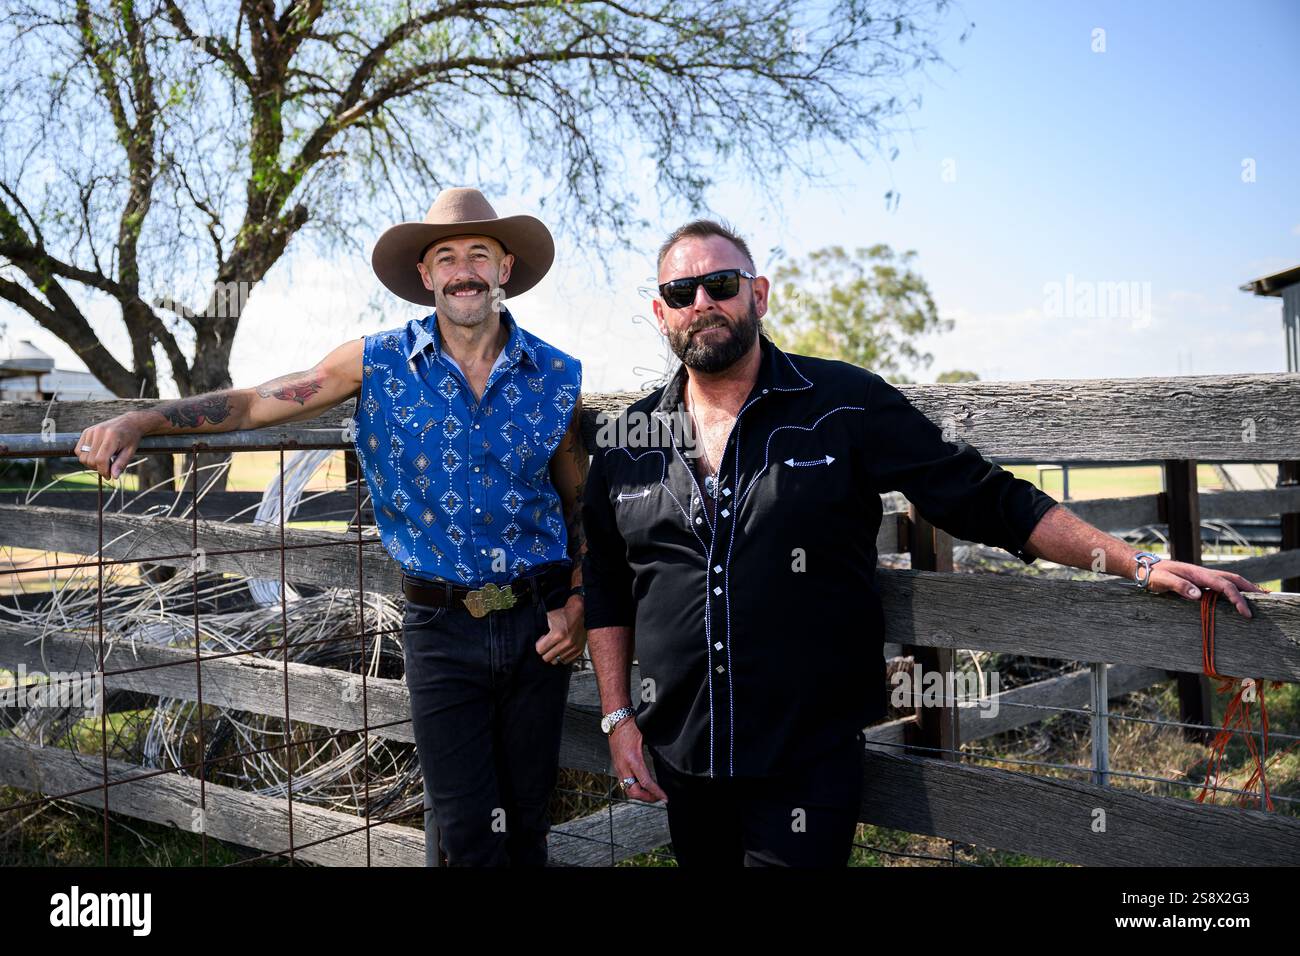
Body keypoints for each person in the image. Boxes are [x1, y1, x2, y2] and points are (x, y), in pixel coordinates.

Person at [579, 218, 1264, 867]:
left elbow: (984, 496)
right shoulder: (629, 440)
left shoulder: (842, 403)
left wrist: (1136, 563)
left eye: (721, 285)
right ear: (661, 311)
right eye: (680, 292)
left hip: (804, 750)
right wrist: (618, 717)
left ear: (757, 294)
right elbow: (608, 580)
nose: (702, 302)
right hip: (682, 753)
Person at [75, 187, 589, 866]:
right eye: (446, 256)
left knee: (526, 824)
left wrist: (580, 601)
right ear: (427, 276)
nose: (463, 269)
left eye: (479, 254)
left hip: (536, 624)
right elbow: (257, 402)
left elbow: (581, 506)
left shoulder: (555, 375)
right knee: (464, 831)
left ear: (505, 269)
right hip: (440, 628)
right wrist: (144, 419)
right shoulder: (374, 363)